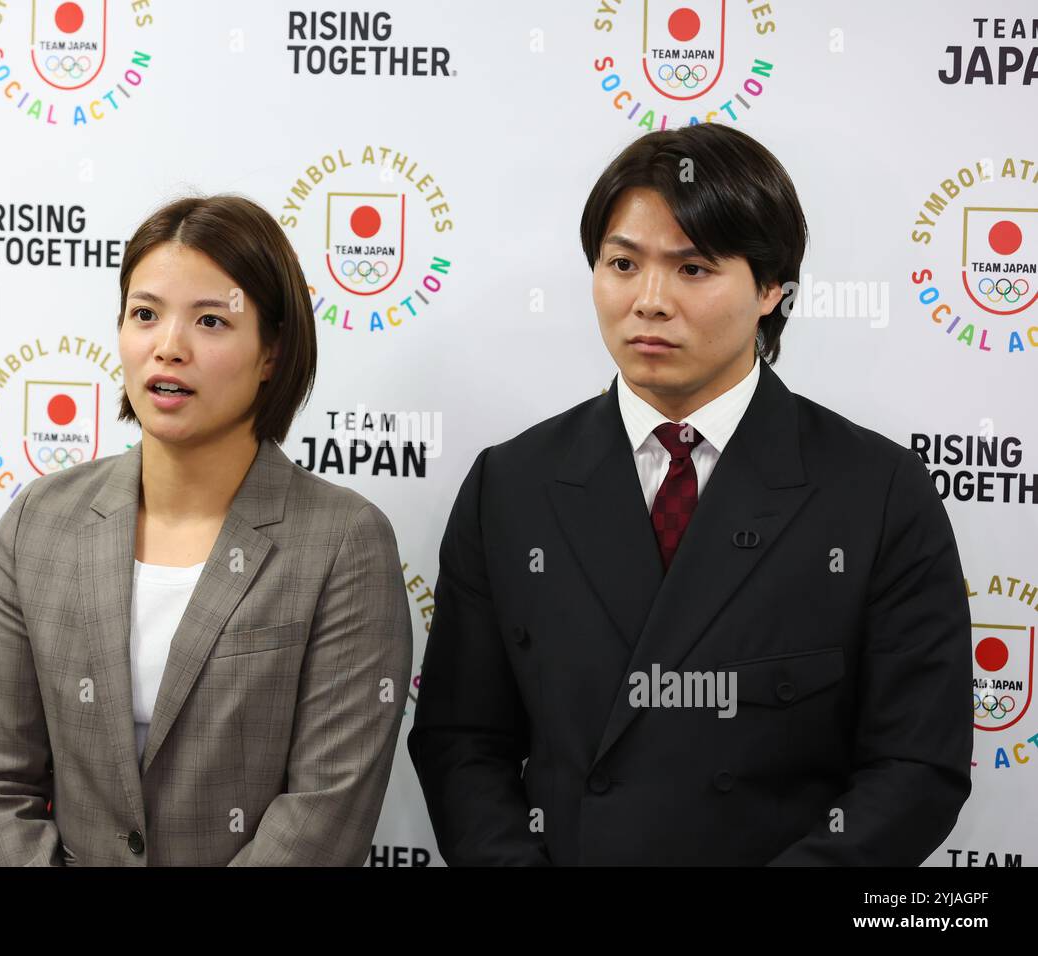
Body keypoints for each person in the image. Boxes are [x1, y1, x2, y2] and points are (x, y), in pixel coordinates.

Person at [408, 124, 973, 866]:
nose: (649, 301)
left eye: (694, 269)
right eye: (622, 263)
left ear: (772, 288)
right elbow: (461, 744)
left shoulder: (877, 494)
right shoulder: (509, 487)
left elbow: (915, 766)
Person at [0, 194, 413, 866]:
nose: (169, 347)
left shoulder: (344, 543)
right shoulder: (40, 522)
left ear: (271, 354)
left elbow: (324, 815)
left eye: (210, 321)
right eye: (145, 314)